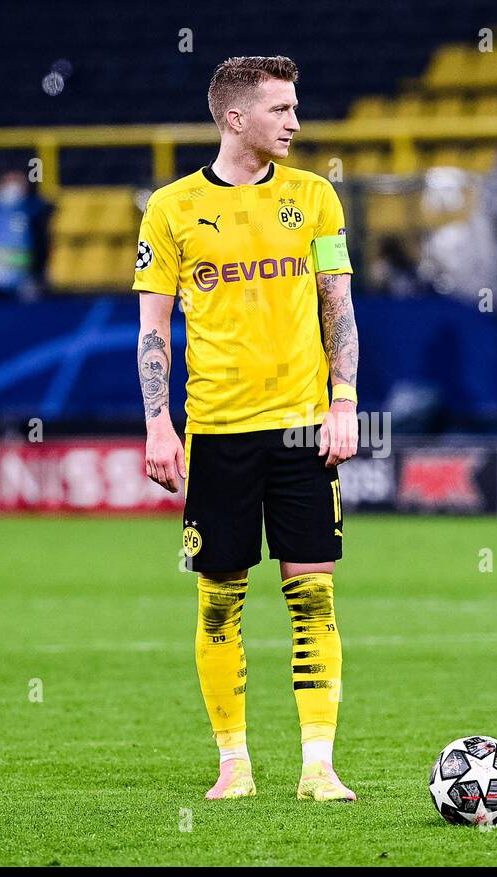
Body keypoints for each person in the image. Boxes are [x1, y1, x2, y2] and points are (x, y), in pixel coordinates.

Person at [134, 55, 361, 803]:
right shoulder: (169, 209)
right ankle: (234, 762)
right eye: (281, 110)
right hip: (218, 432)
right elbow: (154, 332)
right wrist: (158, 425)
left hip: (301, 429)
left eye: (295, 108)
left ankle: (318, 765)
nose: (295, 122)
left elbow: (338, 306)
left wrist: (345, 400)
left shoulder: (316, 198)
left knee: (313, 597)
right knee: (221, 597)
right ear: (236, 118)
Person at [0, 170, 50, 299]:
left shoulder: (33, 212)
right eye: (6, 182)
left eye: (15, 182)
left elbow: (41, 246)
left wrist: (37, 275)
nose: (10, 188)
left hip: (24, 282)